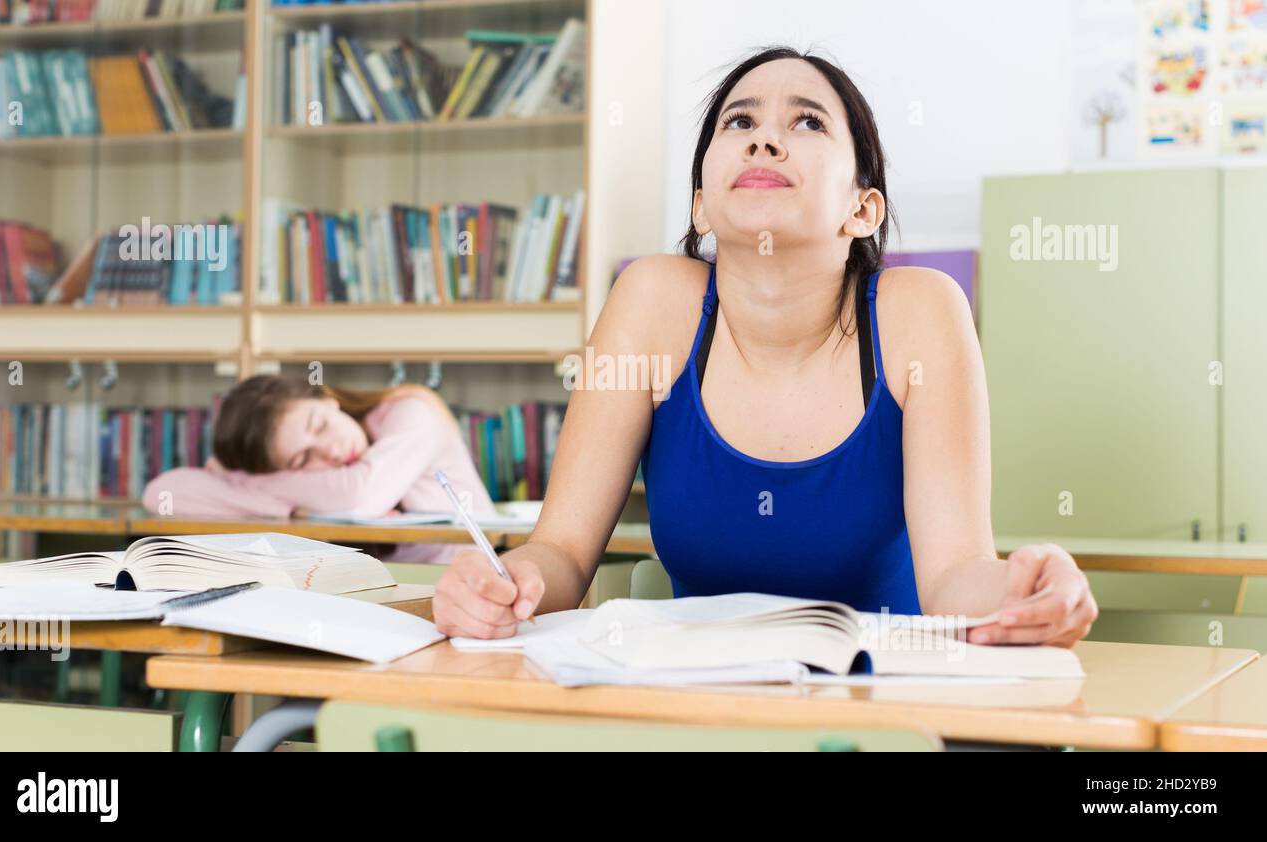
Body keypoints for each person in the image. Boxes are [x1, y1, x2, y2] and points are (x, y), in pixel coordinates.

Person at [433, 46, 1098, 645]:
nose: (765, 142)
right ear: (700, 206)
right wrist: (503, 583)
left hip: (886, 713)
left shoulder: (919, 311)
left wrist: (1021, 590)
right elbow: (564, 556)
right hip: (706, 713)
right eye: (739, 123)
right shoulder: (653, 303)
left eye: (808, 122)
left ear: (862, 211)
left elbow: (955, 578)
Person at [141, 375, 494, 563]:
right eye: (302, 461)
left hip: (468, 584)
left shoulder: (412, 411)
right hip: (387, 591)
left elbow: (362, 497)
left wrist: (245, 483)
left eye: (320, 425)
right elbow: (161, 494)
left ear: (328, 399)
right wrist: (273, 489)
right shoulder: (314, 482)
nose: (332, 452)